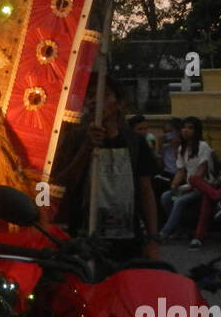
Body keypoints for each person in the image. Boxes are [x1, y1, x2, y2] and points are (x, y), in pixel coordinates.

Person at [53, 80, 161, 262]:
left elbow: (145, 191)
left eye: (103, 95)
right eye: (90, 96)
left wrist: (152, 239)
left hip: (127, 239)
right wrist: (86, 149)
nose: (94, 101)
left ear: (118, 104)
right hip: (84, 238)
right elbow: (61, 186)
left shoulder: (135, 142)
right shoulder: (75, 138)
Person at [159, 116, 212, 242]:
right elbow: (181, 171)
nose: (185, 130)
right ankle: (180, 229)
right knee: (166, 197)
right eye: (183, 127)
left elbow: (202, 170)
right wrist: (174, 186)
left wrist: (189, 188)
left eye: (190, 128)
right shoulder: (182, 149)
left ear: (197, 131)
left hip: (203, 187)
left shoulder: (203, 146)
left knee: (180, 201)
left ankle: (164, 233)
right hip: (189, 186)